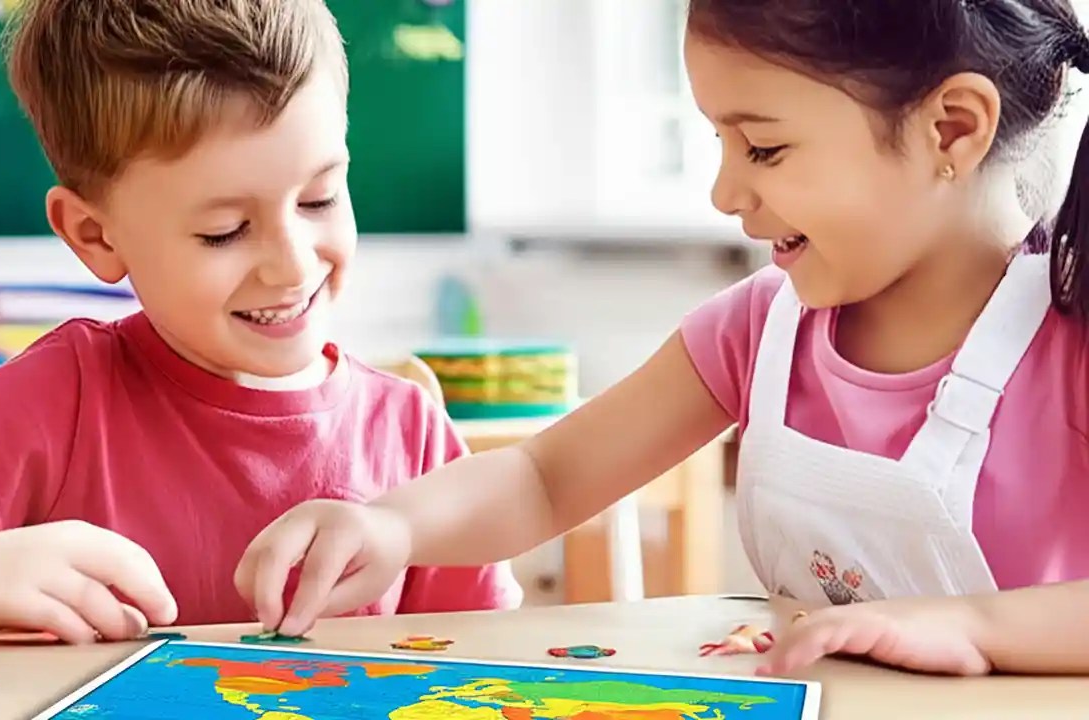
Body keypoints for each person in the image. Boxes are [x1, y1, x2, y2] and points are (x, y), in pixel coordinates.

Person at [235, 0, 1089, 675]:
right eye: (721, 141)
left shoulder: (1067, 336)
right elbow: (545, 477)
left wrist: (975, 628)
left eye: (763, 147)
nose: (725, 191)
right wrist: (392, 527)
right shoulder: (762, 328)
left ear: (951, 128)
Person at [0, 0, 520, 644]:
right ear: (95, 236)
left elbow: (494, 663)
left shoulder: (411, 432)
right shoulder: (56, 402)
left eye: (320, 198)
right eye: (224, 231)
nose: (291, 265)